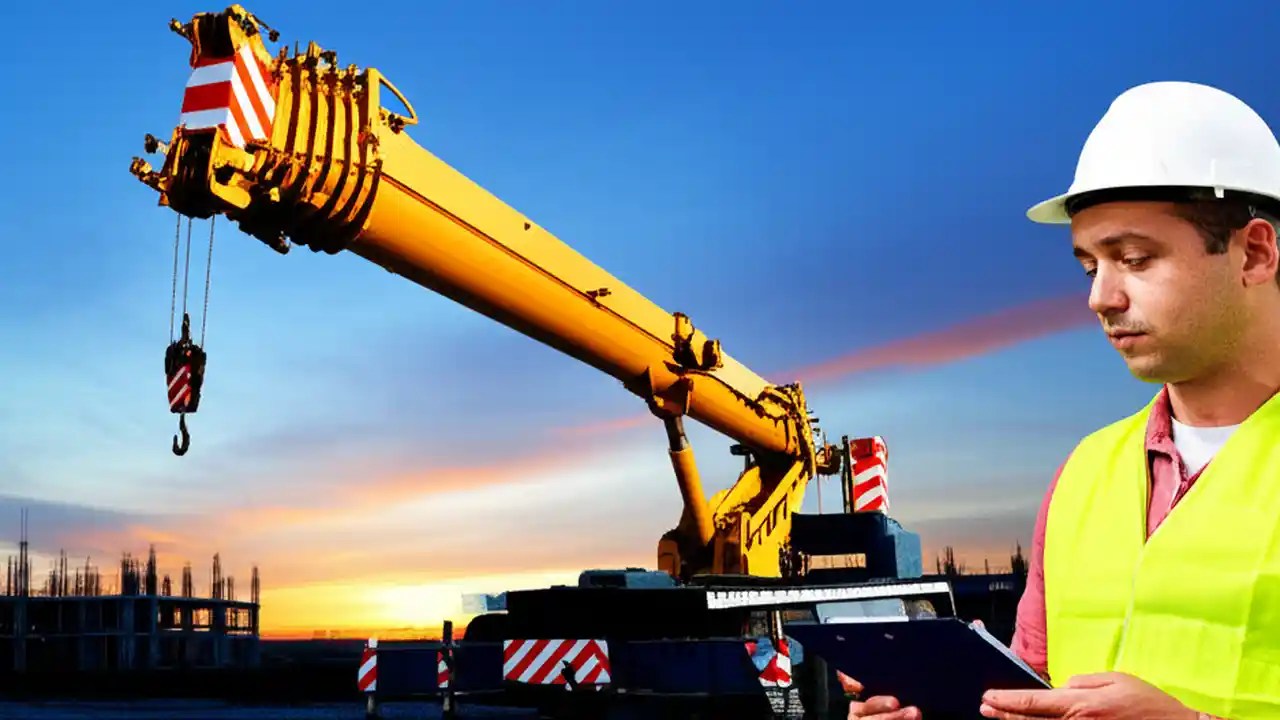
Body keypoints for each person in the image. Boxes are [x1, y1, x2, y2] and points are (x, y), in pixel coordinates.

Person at [844, 80, 1280, 719]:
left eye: (1134, 258)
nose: (1100, 298)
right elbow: (1027, 695)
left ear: (1256, 253)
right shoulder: (1086, 472)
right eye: (1088, 267)